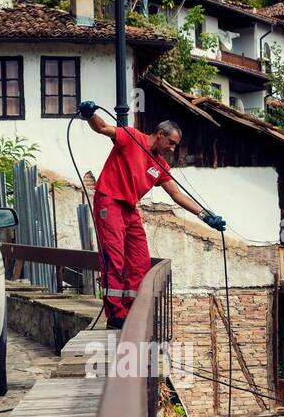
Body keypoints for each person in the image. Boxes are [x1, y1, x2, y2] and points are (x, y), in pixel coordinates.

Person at [78, 102, 226, 329]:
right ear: (160, 134)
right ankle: (116, 315)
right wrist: (90, 114)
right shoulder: (131, 137)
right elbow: (102, 128)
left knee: (140, 261)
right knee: (114, 259)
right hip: (109, 201)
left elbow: (176, 194)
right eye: (172, 143)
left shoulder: (160, 165)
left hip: (129, 208)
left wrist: (205, 216)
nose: (173, 149)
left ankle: (132, 310)